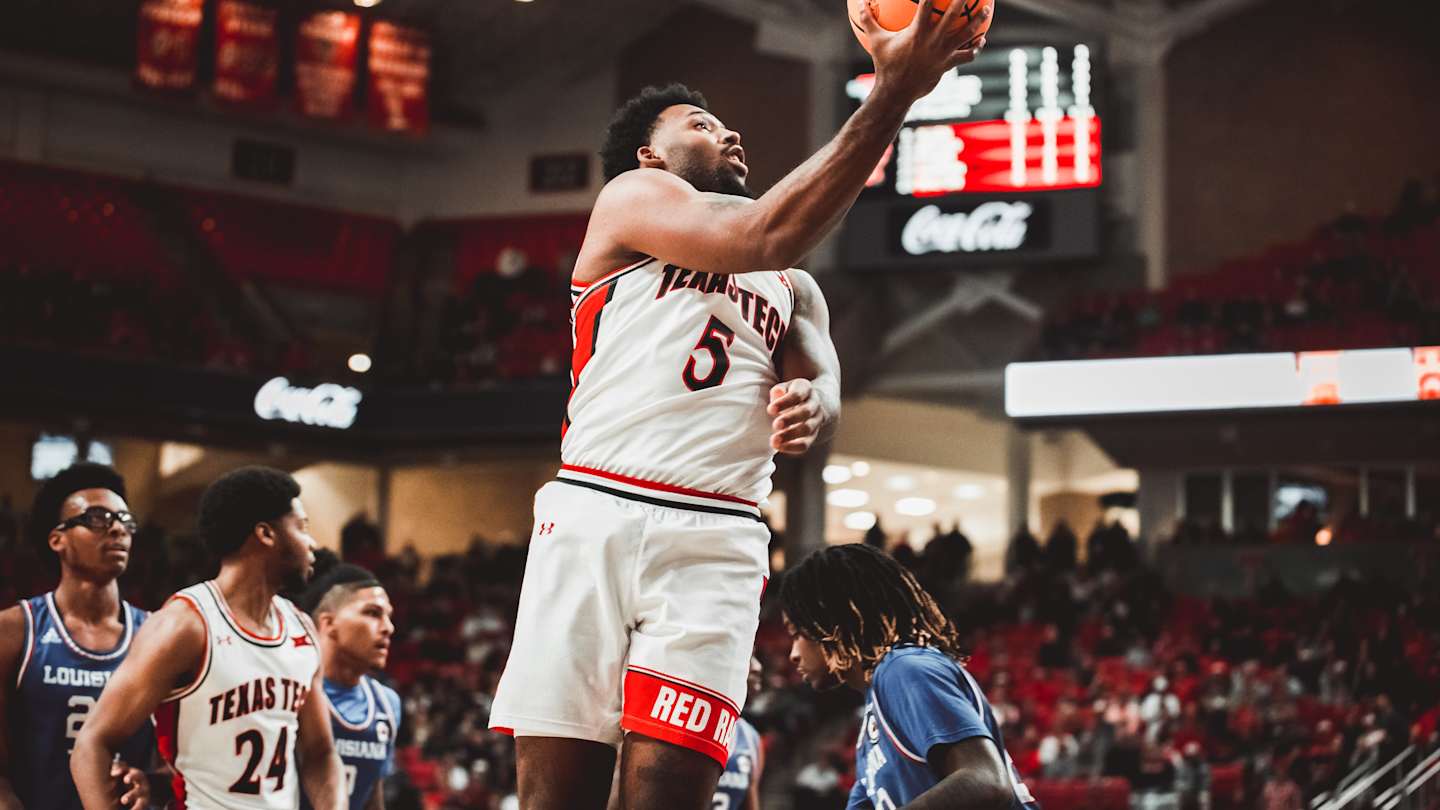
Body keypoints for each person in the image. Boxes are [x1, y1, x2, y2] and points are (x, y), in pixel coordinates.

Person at [488, 2, 990, 807]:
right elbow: (762, 232)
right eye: (701, 123)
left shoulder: (795, 288)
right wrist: (893, 91)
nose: (729, 134)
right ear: (650, 153)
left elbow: (825, 379)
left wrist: (814, 403)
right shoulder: (631, 199)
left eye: (726, 125)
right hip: (595, 514)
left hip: (717, 537)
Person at [71, 466, 346, 809]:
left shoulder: (301, 628)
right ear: (266, 533)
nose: (312, 543)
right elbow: (92, 743)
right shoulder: (185, 624)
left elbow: (320, 752)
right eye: (302, 527)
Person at [779, 543, 1038, 810]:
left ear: (831, 621)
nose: (793, 654)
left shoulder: (905, 670)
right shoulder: (874, 718)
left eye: (797, 634)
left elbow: (986, 782)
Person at [0, 463, 152, 810]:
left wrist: (154, 786)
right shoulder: (14, 630)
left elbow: (177, 760)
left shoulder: (156, 632)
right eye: (97, 518)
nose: (117, 528)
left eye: (125, 520)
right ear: (58, 540)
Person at [298, 552, 403, 810]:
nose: (388, 627)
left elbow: (372, 796)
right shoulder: (292, 691)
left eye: (388, 616)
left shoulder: (387, 703)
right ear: (328, 623)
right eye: (373, 613)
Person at [713, 657, 766, 810]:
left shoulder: (751, 736)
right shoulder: (702, 721)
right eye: (754, 674)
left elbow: (751, 799)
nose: (759, 684)